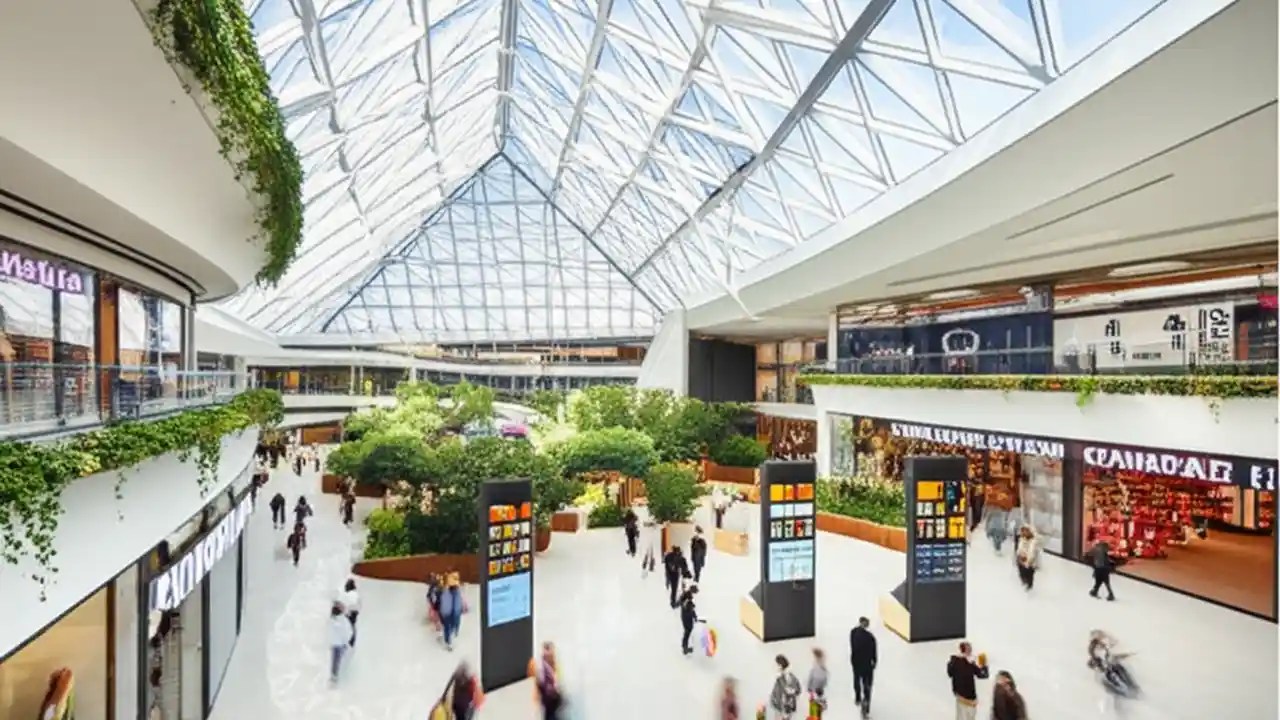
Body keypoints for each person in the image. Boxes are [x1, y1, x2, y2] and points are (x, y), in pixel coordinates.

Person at [946, 641, 989, 720]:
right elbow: (950, 673)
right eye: (968, 649)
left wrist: (984, 665)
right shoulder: (956, 661)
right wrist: (953, 660)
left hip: (971, 699)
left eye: (970, 649)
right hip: (962, 697)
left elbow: (983, 675)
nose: (970, 651)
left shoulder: (970, 663)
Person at [849, 616, 877, 718]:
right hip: (867, 665)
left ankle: (857, 698)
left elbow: (852, 646)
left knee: (856, 679)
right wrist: (874, 662)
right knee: (867, 685)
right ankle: (865, 706)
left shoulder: (853, 632)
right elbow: (874, 653)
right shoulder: (870, 638)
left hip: (856, 662)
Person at [529, 641, 562, 720]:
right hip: (547, 695)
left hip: (551, 696)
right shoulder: (541, 665)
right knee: (550, 714)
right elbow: (540, 681)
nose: (552, 654)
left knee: (550, 713)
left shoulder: (552, 663)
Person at [768, 654, 802, 719]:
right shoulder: (779, 677)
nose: (774, 667)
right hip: (780, 708)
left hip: (784, 709)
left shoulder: (787, 676)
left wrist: (785, 710)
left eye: (775, 665)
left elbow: (793, 690)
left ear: (780, 666)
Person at [438, 572, 464, 650]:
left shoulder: (453, 591)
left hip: (449, 612)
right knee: (449, 626)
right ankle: (449, 640)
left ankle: (449, 640)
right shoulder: (448, 590)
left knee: (449, 626)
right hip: (449, 612)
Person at [328, 604, 353, 683]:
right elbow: (348, 632)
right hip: (339, 644)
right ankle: (336, 678)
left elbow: (347, 632)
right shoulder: (342, 620)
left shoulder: (337, 620)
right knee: (338, 662)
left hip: (338, 644)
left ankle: (335, 678)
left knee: (336, 662)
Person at [1014, 526, 1040, 591]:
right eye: (1023, 531)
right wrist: (1019, 555)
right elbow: (1019, 549)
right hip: (1021, 560)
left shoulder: (1033, 541)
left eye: (1026, 531)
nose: (1025, 532)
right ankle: (1024, 581)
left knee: (1029, 574)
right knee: (1022, 572)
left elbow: (1033, 551)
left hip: (1031, 561)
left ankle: (1029, 586)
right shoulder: (1021, 539)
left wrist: (1028, 559)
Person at [806, 648, 828, 719]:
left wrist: (809, 687)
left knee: (814, 711)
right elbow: (825, 681)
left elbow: (812, 678)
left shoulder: (816, 668)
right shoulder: (823, 669)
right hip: (819, 692)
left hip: (814, 691)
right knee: (817, 712)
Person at [339, 579, 360, 647]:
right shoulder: (356, 594)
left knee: (348, 627)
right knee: (352, 627)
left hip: (349, 613)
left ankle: (347, 642)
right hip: (354, 613)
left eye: (346, 586)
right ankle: (351, 642)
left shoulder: (349, 594)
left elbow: (345, 604)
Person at [678, 584, 698, 655]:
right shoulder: (687, 596)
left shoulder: (688, 595)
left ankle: (685, 646)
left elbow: (690, 607)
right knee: (688, 630)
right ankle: (685, 647)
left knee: (688, 630)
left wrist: (694, 616)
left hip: (687, 615)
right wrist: (693, 614)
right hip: (686, 616)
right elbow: (686, 605)